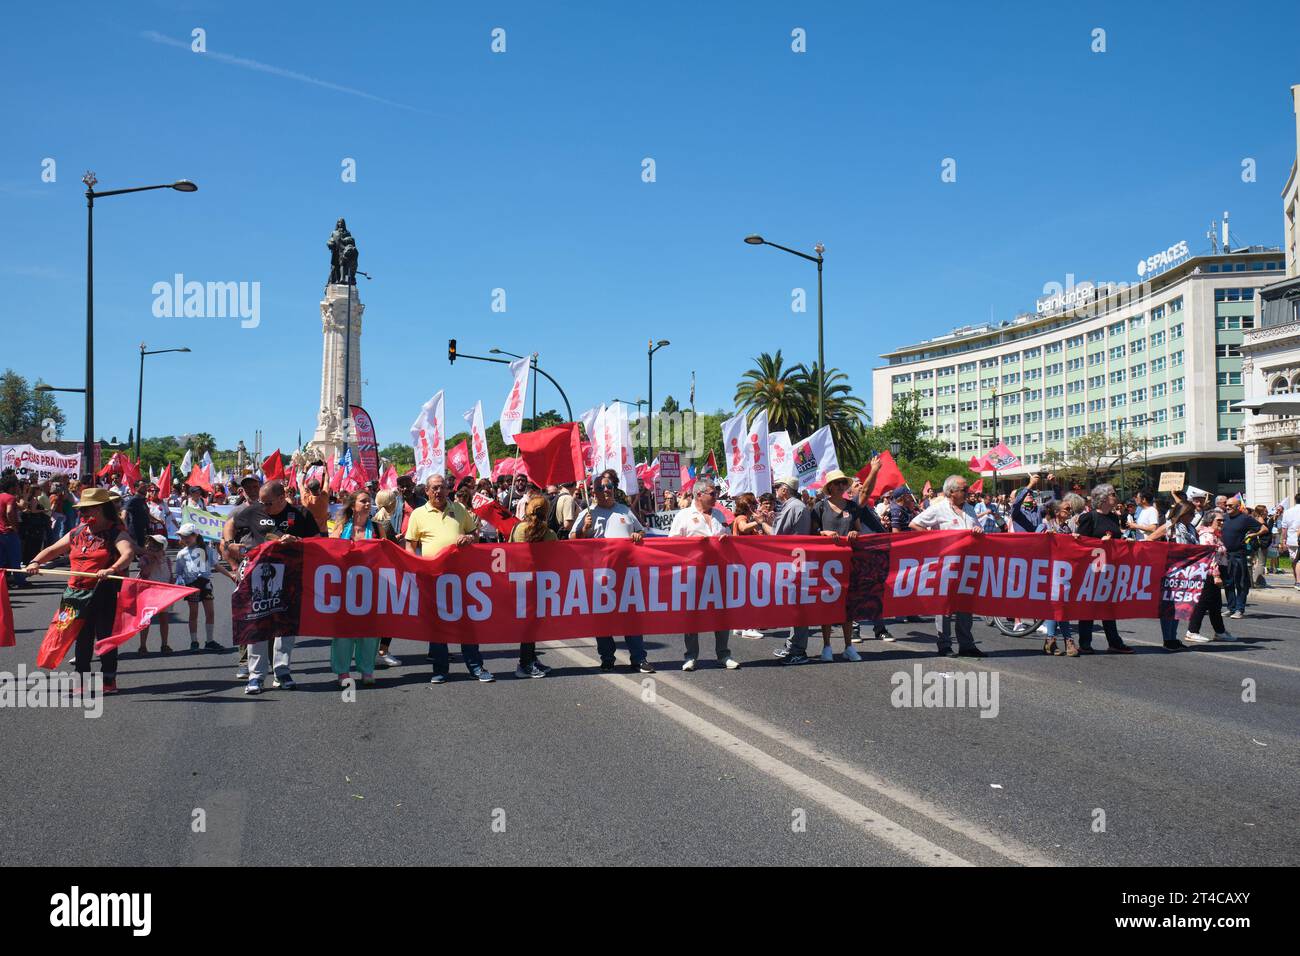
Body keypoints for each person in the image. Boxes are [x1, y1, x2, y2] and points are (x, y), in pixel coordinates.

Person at [24, 487, 138, 694]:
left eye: (87, 510)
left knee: (104, 637)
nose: (82, 514)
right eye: (81, 510)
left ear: (101, 509)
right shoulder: (77, 532)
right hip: (75, 594)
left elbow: (128, 553)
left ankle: (109, 680)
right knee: (81, 637)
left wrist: (111, 569)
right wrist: (35, 561)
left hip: (103, 592)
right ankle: (81, 681)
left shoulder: (116, 532)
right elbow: (52, 550)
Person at [223, 479, 320, 694]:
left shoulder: (301, 514)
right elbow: (230, 523)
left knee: (285, 625)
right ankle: (256, 676)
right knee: (256, 623)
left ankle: (282, 671)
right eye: (262, 503)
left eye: (268, 503)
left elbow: (317, 541)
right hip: (258, 574)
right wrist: (230, 543)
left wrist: (296, 540)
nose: (264, 507)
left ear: (282, 496)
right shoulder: (254, 510)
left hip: (290, 576)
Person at [406, 474, 494, 684]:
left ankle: (476, 668)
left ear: (448, 490)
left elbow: (475, 535)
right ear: (426, 491)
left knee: (467, 625)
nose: (438, 491)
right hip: (433, 578)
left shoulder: (459, 509)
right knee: (437, 626)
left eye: (442, 487)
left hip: (461, 577)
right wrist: (414, 565)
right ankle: (440, 670)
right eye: (434, 488)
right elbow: (410, 544)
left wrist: (469, 538)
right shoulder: (418, 514)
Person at [573, 470, 654, 673]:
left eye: (609, 487)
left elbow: (641, 530)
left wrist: (638, 534)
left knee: (631, 617)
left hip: (626, 575)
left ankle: (639, 658)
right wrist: (584, 530)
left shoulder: (625, 511)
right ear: (594, 492)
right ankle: (607, 658)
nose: (606, 490)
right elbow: (572, 540)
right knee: (603, 619)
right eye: (601, 487)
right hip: (599, 577)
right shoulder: (587, 514)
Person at [668, 478, 740, 671]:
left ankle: (723, 654)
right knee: (692, 615)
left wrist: (727, 538)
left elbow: (729, 538)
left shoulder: (718, 514)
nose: (716, 496)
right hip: (693, 573)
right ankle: (691, 656)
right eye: (712, 493)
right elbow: (672, 543)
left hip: (718, 572)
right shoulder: (683, 516)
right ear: (699, 494)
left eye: (716, 493)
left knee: (721, 613)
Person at [909, 475, 985, 657]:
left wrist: (978, 531)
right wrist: (937, 541)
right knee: (945, 605)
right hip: (946, 565)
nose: (969, 492)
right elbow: (914, 524)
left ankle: (967, 645)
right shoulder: (939, 509)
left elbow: (975, 531)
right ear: (951, 492)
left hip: (968, 563)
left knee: (966, 604)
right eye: (964, 490)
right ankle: (944, 645)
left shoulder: (969, 509)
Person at [1072, 483, 1135, 655]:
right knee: (1089, 606)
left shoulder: (1115, 518)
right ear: (1104, 498)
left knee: (1109, 606)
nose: (1116, 496)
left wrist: (1124, 542)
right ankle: (1085, 643)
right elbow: (1080, 544)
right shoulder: (1089, 517)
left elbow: (1117, 539)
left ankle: (1114, 642)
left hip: (1110, 568)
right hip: (1091, 569)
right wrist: (1100, 542)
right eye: (1113, 494)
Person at [329, 490, 383, 686]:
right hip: (344, 585)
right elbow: (331, 551)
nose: (368, 504)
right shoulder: (342, 526)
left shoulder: (377, 527)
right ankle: (343, 671)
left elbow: (387, 551)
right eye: (363, 501)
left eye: (369, 501)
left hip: (371, 585)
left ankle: (367, 670)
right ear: (353, 506)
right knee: (344, 631)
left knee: (370, 631)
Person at [810, 469, 865, 662]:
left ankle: (849, 646)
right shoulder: (820, 507)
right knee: (828, 604)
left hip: (848, 560)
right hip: (827, 562)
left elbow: (858, 529)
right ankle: (826, 646)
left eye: (844, 482)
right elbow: (811, 533)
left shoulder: (852, 506)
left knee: (847, 605)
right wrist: (823, 533)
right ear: (830, 486)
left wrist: (855, 534)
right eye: (838, 483)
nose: (842, 486)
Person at [509, 494, 561, 678]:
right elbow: (556, 558)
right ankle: (524, 664)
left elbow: (509, 551)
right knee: (532, 625)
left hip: (521, 582)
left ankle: (530, 659)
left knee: (529, 624)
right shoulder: (550, 534)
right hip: (540, 584)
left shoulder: (517, 528)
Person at [1146, 501, 1197, 650]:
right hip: (1169, 572)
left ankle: (1173, 637)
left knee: (1179, 606)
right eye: (1191, 514)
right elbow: (1150, 540)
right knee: (1169, 605)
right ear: (1182, 513)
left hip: (1186, 572)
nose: (1193, 517)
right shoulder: (1169, 526)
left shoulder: (1191, 528)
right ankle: (1167, 639)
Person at [174, 522, 230, 651]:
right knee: (193, 614)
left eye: (187, 536)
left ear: (195, 535)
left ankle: (209, 641)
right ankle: (194, 641)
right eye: (182, 536)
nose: (185, 539)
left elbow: (216, 565)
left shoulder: (207, 549)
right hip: (192, 585)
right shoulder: (182, 554)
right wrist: (178, 583)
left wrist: (230, 575)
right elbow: (179, 572)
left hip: (205, 584)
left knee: (210, 613)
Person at [1037, 498, 1079, 656]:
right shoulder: (1045, 526)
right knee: (1057, 605)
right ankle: (1065, 640)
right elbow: (1033, 543)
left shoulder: (1067, 528)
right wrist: (1045, 537)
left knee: (1062, 606)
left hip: (1064, 573)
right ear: (1056, 512)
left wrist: (1074, 540)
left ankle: (1051, 641)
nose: (1069, 511)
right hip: (1049, 574)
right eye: (1066, 509)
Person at [1186, 511, 1234, 643]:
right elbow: (1210, 557)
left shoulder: (1216, 535)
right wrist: (1216, 575)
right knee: (1202, 603)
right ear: (1210, 521)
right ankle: (1192, 631)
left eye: (1223, 520)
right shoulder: (1207, 535)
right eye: (1219, 520)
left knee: (1215, 605)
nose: (1222, 523)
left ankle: (1220, 632)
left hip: (1215, 572)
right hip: (1208, 573)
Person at [728, 493, 767, 642]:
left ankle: (739, 625)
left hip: (743, 561)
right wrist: (758, 522)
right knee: (750, 594)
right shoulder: (741, 518)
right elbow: (744, 528)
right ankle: (748, 627)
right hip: (745, 561)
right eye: (754, 504)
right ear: (748, 506)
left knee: (743, 594)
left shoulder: (741, 518)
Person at [1219, 496, 1259, 619]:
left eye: (1230, 505)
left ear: (1237, 506)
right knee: (1228, 582)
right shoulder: (1224, 518)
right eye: (1226, 505)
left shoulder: (1245, 519)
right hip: (1225, 555)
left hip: (1238, 554)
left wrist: (1252, 535)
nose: (1227, 507)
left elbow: (1263, 528)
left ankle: (1239, 609)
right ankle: (1231, 608)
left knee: (1241, 583)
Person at [136, 533, 174, 654]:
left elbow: (170, 576)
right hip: (148, 592)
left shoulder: (167, 560)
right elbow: (145, 574)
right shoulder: (145, 559)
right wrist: (153, 560)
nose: (151, 547)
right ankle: (143, 646)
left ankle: (164, 644)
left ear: (162, 548)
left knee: (164, 619)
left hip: (163, 592)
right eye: (150, 544)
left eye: (155, 545)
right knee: (146, 619)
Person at [0, 474, 25, 587]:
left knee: (2, 559)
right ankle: (20, 581)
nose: (17, 487)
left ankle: (3, 582)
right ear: (11, 486)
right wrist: (13, 525)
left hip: (0, 533)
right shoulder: (10, 497)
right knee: (15, 557)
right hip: (8, 532)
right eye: (16, 485)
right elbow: (9, 512)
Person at [1247, 505, 1272, 587]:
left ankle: (1259, 581)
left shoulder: (1255, 518)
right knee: (1261, 563)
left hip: (1257, 543)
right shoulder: (1260, 519)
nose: (1267, 512)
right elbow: (1265, 529)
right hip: (1261, 543)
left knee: (1257, 563)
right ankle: (1255, 581)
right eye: (1266, 511)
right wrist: (1256, 534)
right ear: (1261, 512)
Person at [1282, 492, 1300, 591]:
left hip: (1291, 539)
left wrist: (1283, 540)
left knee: (1294, 560)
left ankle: (1297, 580)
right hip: (1297, 538)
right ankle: (1298, 581)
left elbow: (1284, 528)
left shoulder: (1288, 512)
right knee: (1299, 561)